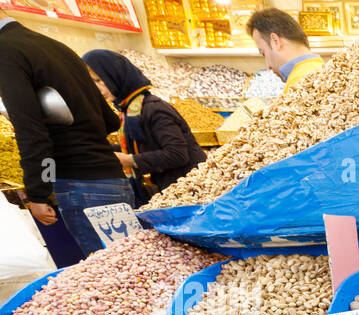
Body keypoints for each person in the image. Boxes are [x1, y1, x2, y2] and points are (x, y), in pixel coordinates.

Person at [0, 17, 133, 256]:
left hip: (81, 187)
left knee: (114, 273)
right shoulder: (56, 46)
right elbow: (110, 121)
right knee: (133, 266)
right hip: (114, 181)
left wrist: (38, 193)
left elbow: (32, 132)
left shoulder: (6, 52)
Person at [82, 50, 207, 201]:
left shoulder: (153, 109)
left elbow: (177, 154)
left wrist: (130, 160)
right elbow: (143, 145)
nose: (96, 88)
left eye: (99, 80)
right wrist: (103, 150)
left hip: (191, 189)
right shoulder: (129, 110)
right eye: (92, 82)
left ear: (115, 76)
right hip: (173, 188)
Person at [246, 9, 324, 89]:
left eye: (263, 53)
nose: (268, 66)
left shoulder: (298, 83)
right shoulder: (320, 70)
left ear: (275, 41)